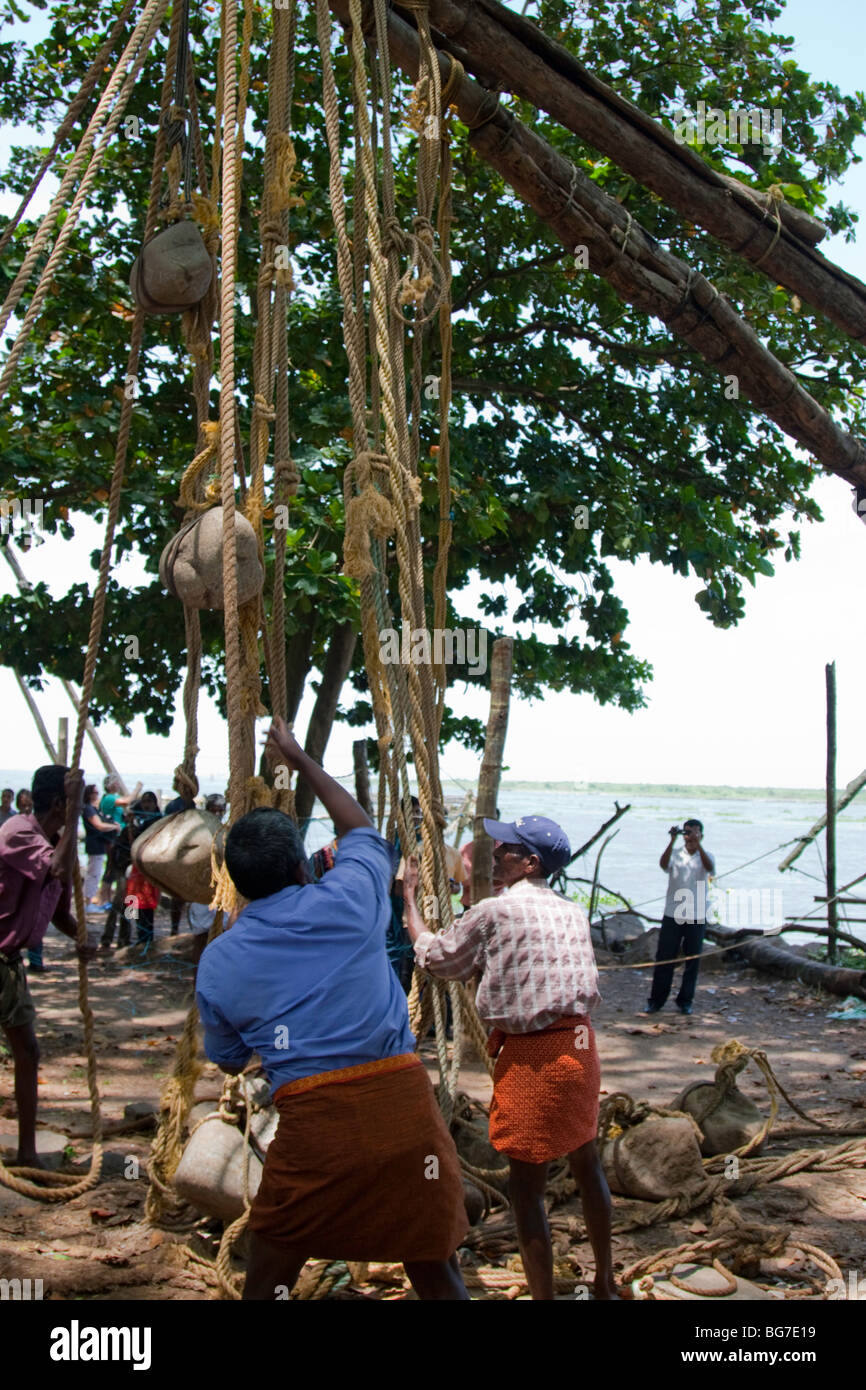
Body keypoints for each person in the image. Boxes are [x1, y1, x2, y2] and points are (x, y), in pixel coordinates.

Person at [196, 718, 469, 1301]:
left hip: (314, 1136)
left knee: (268, 1278)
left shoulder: (219, 963)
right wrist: (298, 758)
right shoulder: (350, 895)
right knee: (433, 1264)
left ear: (235, 885)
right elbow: (359, 829)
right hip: (405, 1117)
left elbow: (228, 1059)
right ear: (301, 867)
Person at [404, 814, 619, 1302]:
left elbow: (440, 959)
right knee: (588, 1164)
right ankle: (605, 1282)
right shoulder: (573, 912)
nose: (494, 855)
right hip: (580, 1048)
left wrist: (410, 903)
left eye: (506, 849)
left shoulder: (492, 913)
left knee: (527, 1193)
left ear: (530, 863)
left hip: (531, 1057)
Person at [0, 765, 88, 1166]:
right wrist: (73, 816)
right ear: (60, 804)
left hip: (9, 964)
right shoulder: (18, 832)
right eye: (76, 804)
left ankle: (27, 1152)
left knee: (28, 1051)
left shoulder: (58, 844)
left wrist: (84, 941)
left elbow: (59, 915)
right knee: (25, 1050)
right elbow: (53, 868)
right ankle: (27, 1151)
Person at [645, 818, 715, 1017]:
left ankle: (685, 1001)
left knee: (692, 959)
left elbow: (710, 869)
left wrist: (698, 845)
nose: (690, 836)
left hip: (697, 915)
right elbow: (663, 864)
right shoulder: (675, 855)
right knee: (664, 958)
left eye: (694, 832)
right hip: (673, 913)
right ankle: (656, 1001)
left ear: (701, 834)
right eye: (687, 832)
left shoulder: (706, 856)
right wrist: (672, 840)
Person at [186, 793, 226, 967]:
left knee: (224, 935)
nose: (216, 814)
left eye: (220, 811)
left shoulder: (226, 832)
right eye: (213, 810)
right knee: (201, 938)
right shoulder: (197, 833)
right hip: (202, 892)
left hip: (223, 894)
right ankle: (197, 984)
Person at [122, 793, 163, 949]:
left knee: (146, 905)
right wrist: (131, 824)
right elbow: (132, 842)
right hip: (136, 867)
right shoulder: (141, 820)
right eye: (144, 802)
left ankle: (146, 939)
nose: (146, 805)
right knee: (132, 903)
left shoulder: (156, 821)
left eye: (149, 802)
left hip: (149, 867)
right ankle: (136, 937)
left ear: (154, 803)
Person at [163, 773, 197, 936]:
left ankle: (177, 928)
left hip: (184, 854)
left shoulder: (190, 805)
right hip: (177, 854)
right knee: (132, 902)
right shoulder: (176, 807)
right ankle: (136, 934)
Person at [81, 784, 118, 908]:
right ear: (90, 794)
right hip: (95, 844)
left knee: (95, 873)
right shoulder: (89, 809)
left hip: (98, 844)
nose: (97, 795)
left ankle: (89, 901)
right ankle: (88, 902)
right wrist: (115, 827)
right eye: (95, 792)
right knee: (94, 873)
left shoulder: (92, 808)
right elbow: (99, 825)